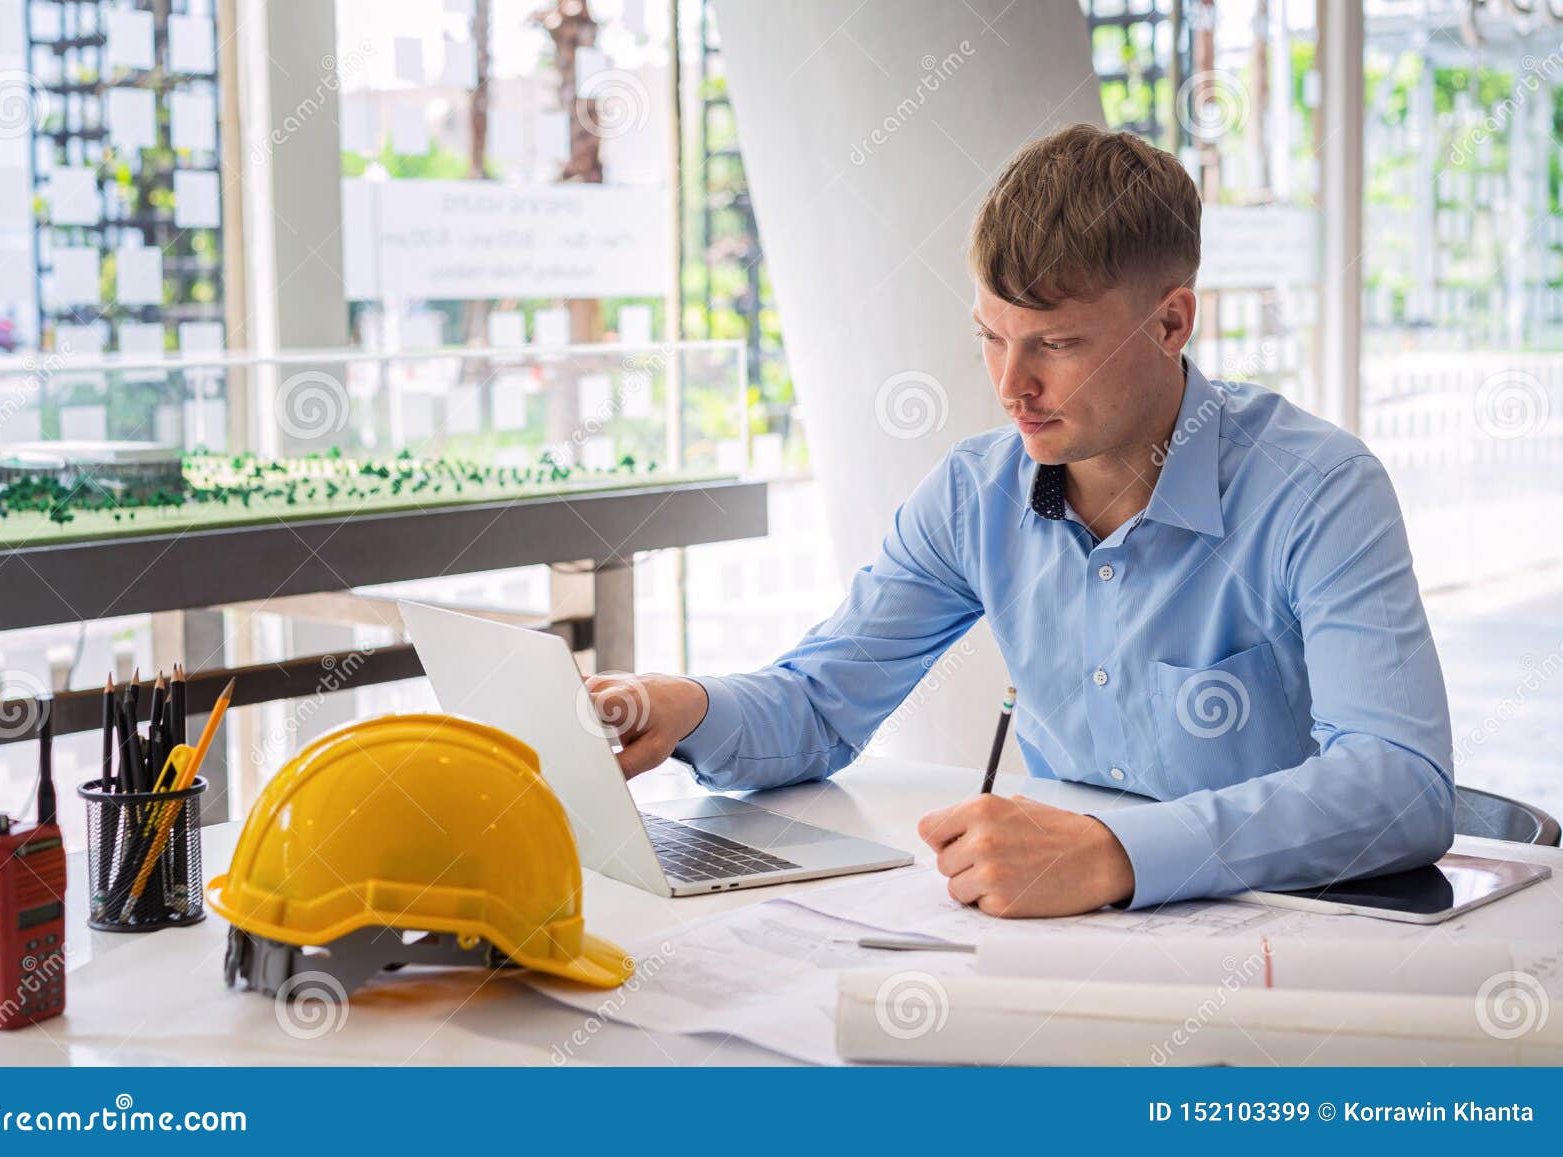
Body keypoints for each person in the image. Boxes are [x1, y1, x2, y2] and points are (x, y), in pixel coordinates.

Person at [587, 123, 1453, 918]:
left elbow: (1401, 786)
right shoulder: (975, 493)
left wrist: (1118, 853)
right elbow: (818, 706)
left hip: (1289, 942)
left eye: (1056, 343)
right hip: (1060, 940)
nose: (1011, 385)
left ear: (1171, 321)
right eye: (992, 338)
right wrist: (684, 708)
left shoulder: (1318, 489)